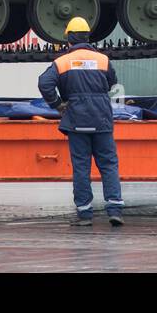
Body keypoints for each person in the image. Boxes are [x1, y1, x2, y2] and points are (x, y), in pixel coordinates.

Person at [37, 16, 125, 228]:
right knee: (108, 165)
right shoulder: (103, 60)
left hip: (77, 120)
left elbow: (44, 83)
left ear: (69, 39)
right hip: (101, 119)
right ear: (87, 37)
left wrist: (58, 104)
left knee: (81, 167)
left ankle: (85, 214)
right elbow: (112, 82)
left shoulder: (62, 62)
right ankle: (115, 210)